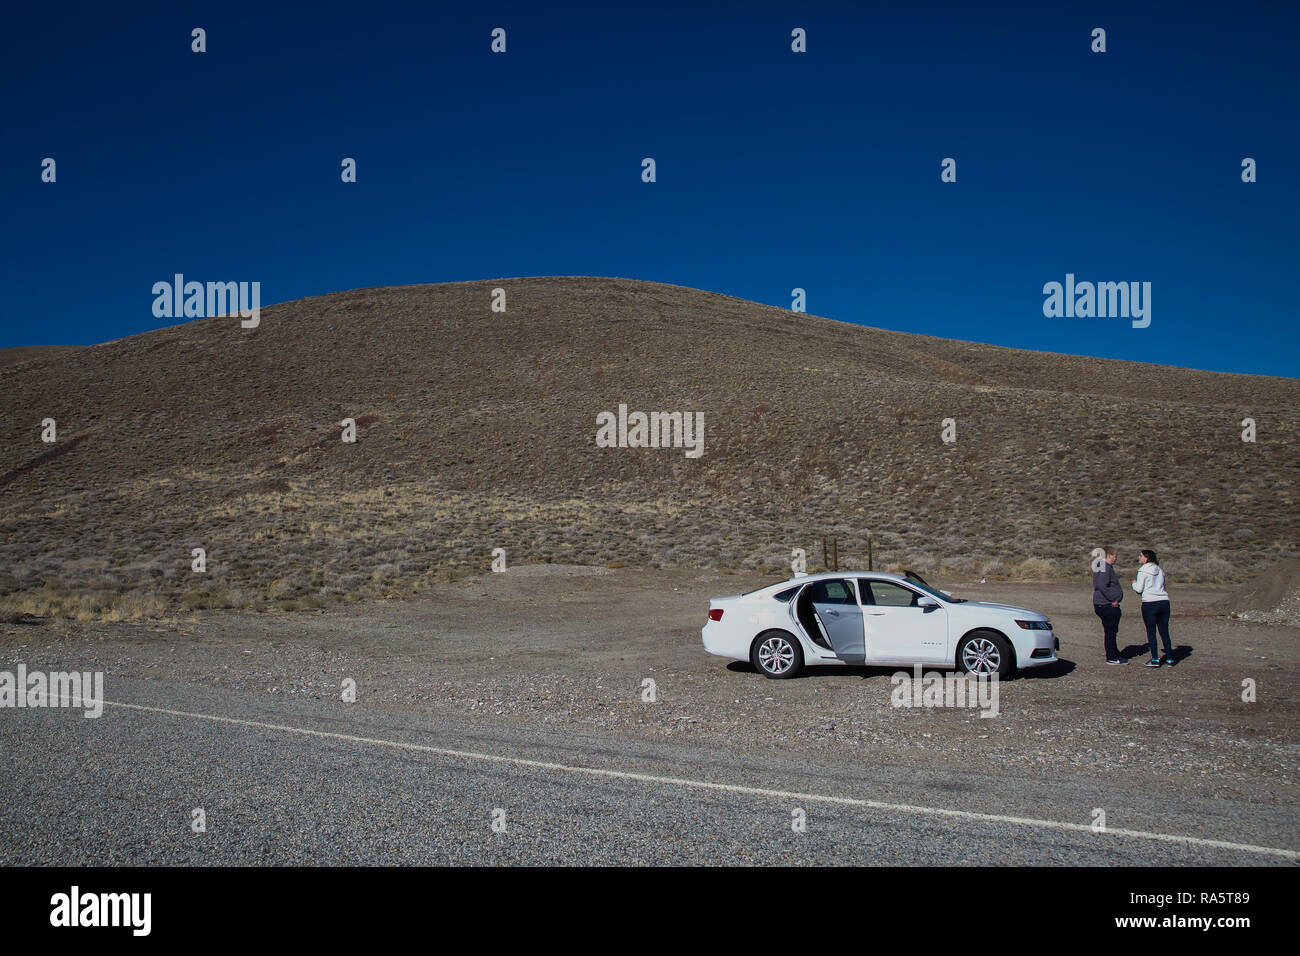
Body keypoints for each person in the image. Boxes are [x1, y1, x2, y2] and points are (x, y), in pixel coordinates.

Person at [1133, 549, 1173, 667]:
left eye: (1140, 556)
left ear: (1146, 558)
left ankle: (1155, 659)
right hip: (1164, 602)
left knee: (1151, 632)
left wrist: (1133, 583)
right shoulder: (1160, 570)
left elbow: (1139, 589)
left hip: (1150, 603)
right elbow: (1163, 586)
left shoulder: (1143, 570)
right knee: (1164, 631)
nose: (1139, 557)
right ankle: (1170, 658)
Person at [1092, 546, 1124, 663]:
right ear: (1109, 555)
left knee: (1111, 630)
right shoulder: (1104, 567)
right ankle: (1111, 656)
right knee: (1110, 631)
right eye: (1115, 556)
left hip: (1105, 603)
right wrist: (1113, 599)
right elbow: (1102, 585)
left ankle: (1114, 653)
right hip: (1106, 604)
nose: (1116, 558)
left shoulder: (1103, 566)